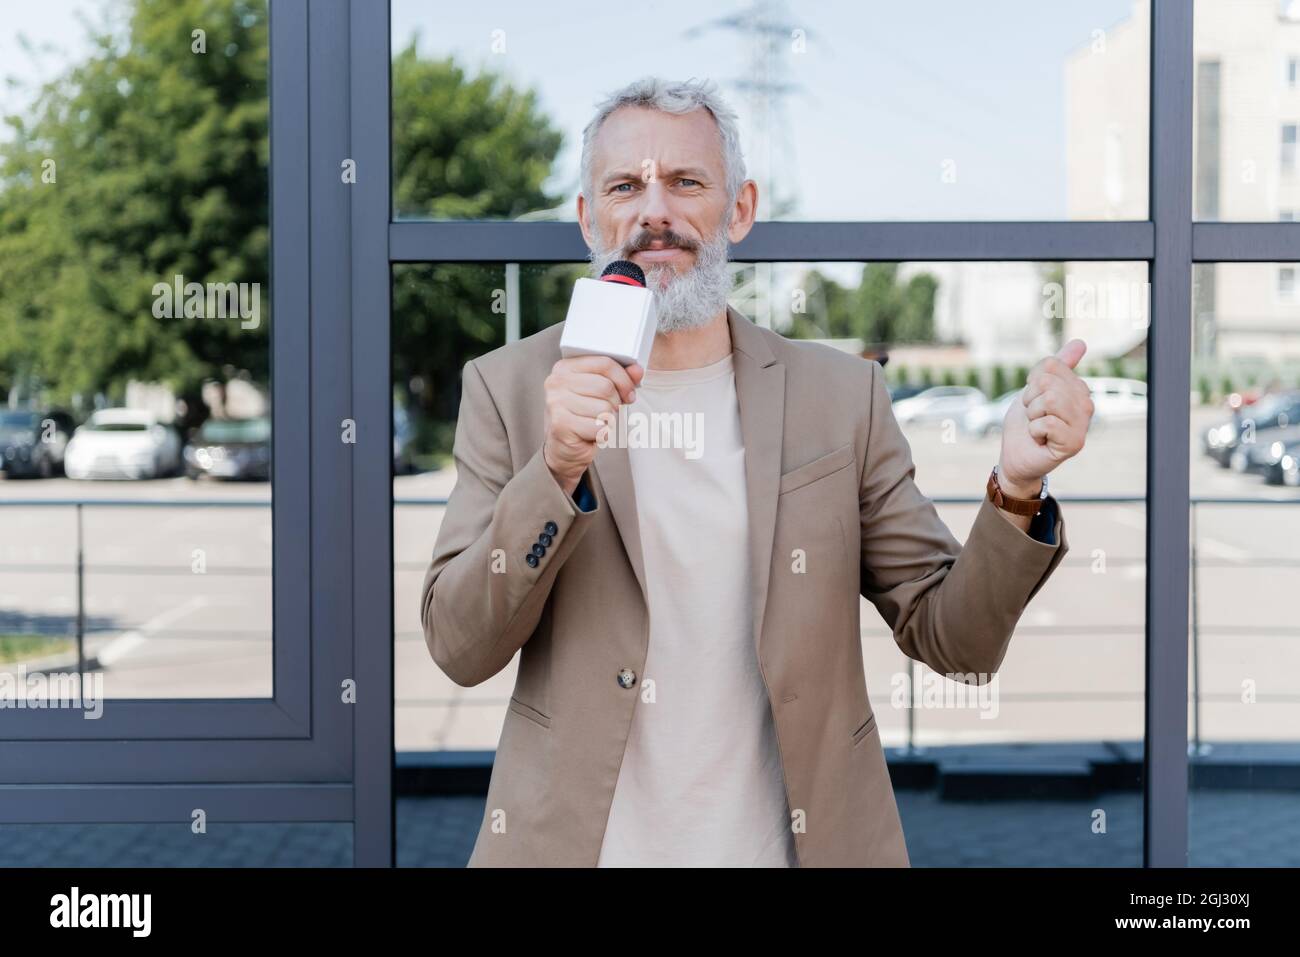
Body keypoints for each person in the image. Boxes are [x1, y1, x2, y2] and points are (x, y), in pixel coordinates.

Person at [421, 76, 1092, 867]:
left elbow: (957, 642)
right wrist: (557, 470)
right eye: (625, 185)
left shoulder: (841, 395)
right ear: (587, 217)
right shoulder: (508, 388)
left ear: (738, 208)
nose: (654, 213)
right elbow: (460, 647)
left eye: (686, 182)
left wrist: (1015, 488)